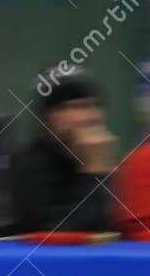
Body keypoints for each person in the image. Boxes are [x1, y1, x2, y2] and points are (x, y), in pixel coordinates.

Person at [7, 75, 116, 235]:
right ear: (45, 120)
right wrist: (93, 170)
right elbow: (56, 239)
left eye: (91, 106)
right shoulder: (22, 165)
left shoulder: (105, 160)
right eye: (73, 107)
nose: (87, 117)